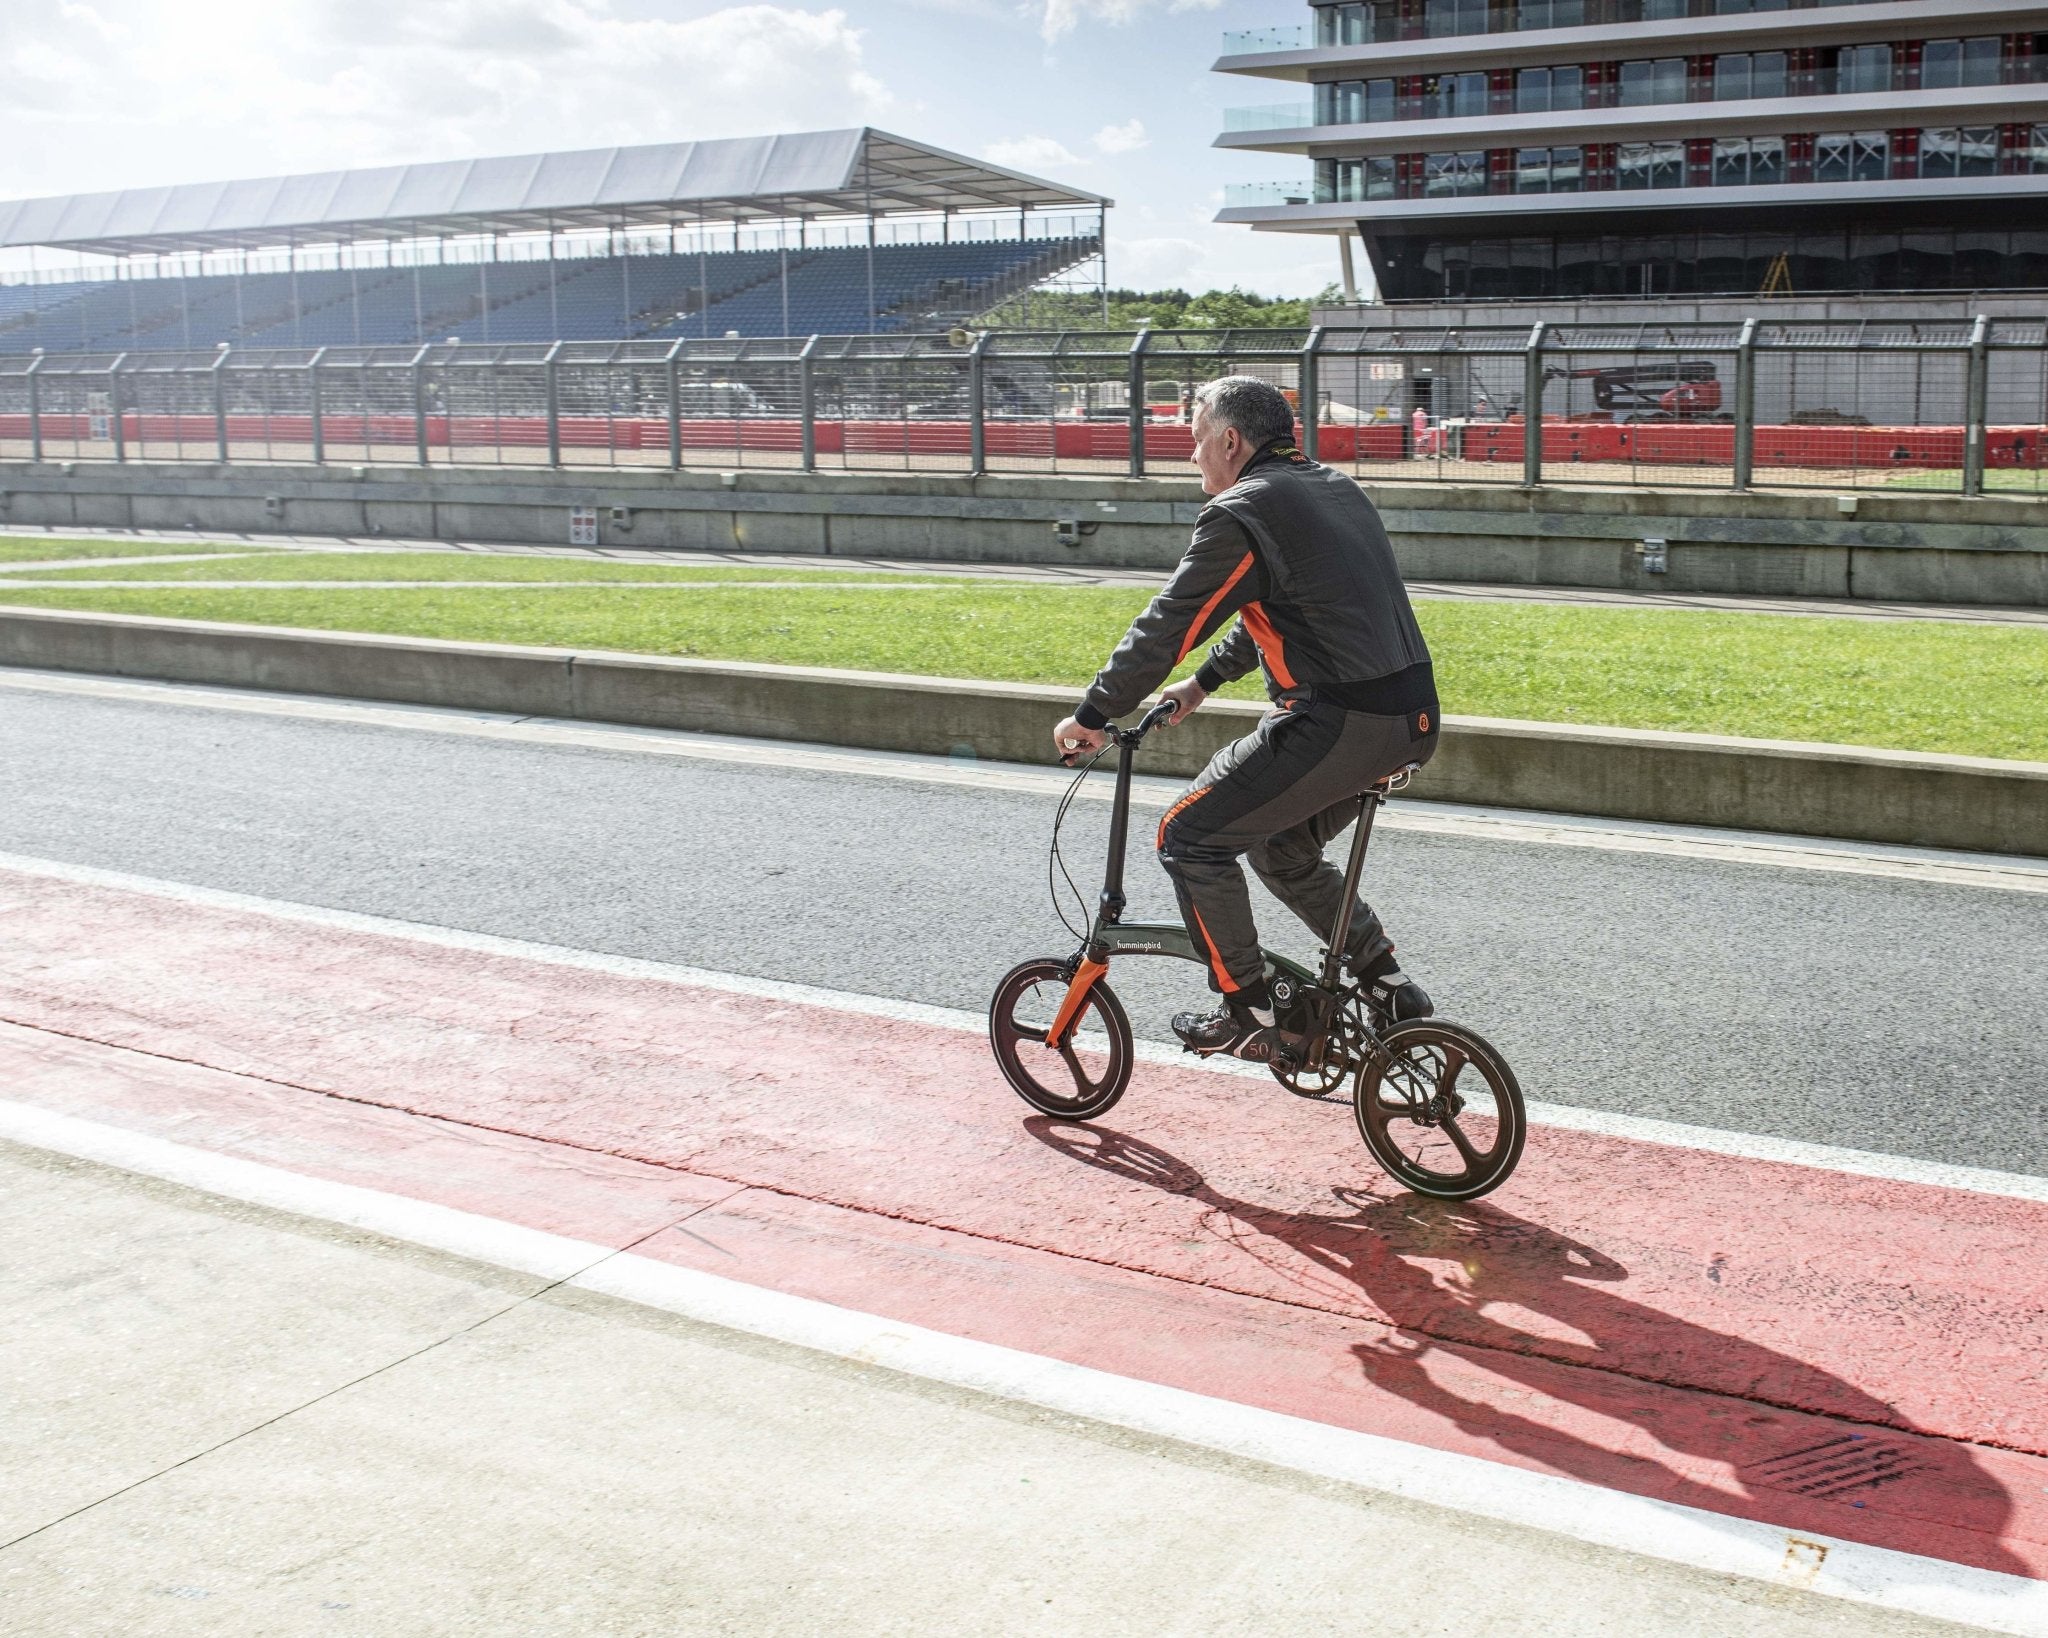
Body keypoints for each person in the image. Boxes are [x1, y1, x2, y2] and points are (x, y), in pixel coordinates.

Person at [1051, 376, 1440, 1063]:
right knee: (1282, 850)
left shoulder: (1241, 511)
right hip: (1409, 717)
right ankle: (1387, 982)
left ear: (1230, 440)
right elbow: (1289, 608)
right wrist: (1202, 684)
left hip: (1337, 722)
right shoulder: (1332, 487)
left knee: (1188, 835)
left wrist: (1093, 713)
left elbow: (1172, 623)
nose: (1192, 456)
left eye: (1197, 439)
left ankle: (1249, 1010)